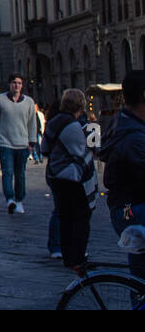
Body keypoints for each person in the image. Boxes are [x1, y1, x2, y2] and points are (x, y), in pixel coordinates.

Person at [39, 88, 97, 273]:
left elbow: (45, 149)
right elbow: (84, 153)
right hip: (72, 176)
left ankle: (66, 253)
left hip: (55, 175)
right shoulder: (74, 125)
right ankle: (78, 257)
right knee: (81, 216)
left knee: (64, 215)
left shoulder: (53, 122)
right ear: (81, 105)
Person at [97, 69, 145, 281]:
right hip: (130, 211)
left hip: (125, 209)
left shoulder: (124, 122)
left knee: (140, 278)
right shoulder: (134, 136)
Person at [0, 74, 40, 214]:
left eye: (19, 83)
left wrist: (32, 142)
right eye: (14, 83)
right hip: (6, 143)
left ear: (22, 85)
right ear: (9, 84)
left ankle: (19, 200)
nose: (16, 85)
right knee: (7, 173)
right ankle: (10, 199)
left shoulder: (28, 102)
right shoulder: (0, 99)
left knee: (20, 174)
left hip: (22, 144)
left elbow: (32, 124)